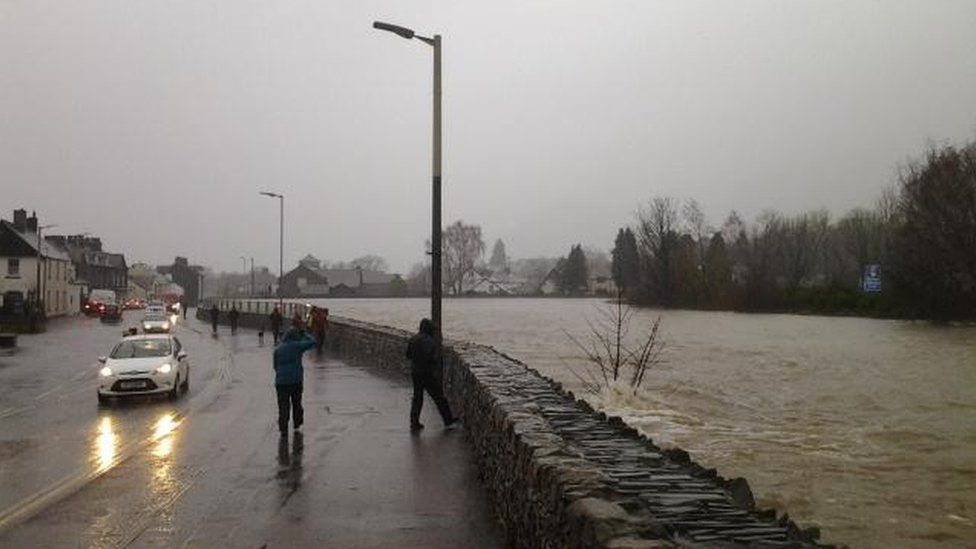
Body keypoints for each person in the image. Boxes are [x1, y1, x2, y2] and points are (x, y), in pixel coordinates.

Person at [405, 318, 457, 432]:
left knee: (417, 398)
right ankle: (448, 420)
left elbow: (408, 355)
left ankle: (414, 422)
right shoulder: (429, 341)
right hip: (426, 373)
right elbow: (432, 358)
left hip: (415, 372)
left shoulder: (413, 339)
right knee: (439, 397)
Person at [273, 325, 316, 433]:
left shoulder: (277, 350)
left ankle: (283, 428)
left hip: (281, 382)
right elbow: (313, 342)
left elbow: (275, 366)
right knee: (296, 402)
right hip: (296, 380)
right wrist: (304, 334)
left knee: (283, 405)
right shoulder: (297, 346)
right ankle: (297, 423)